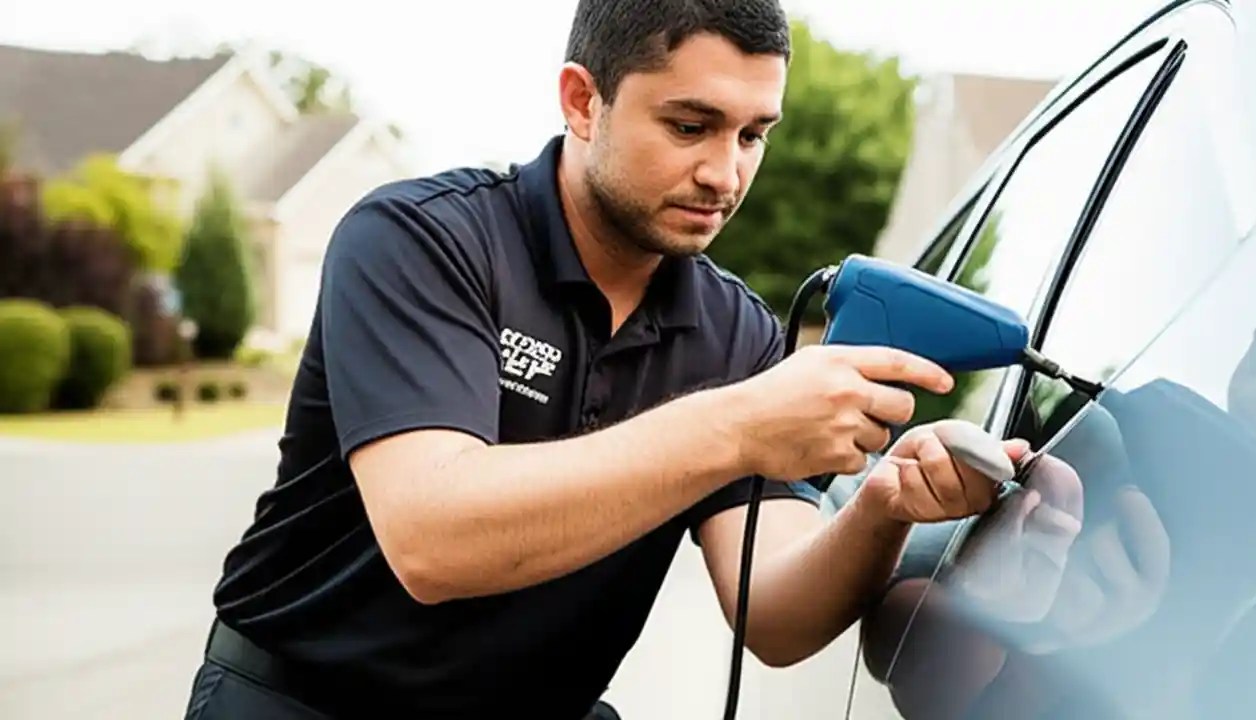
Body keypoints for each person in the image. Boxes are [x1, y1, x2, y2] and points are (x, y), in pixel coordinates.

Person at [182, 1, 1028, 718]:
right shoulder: (419, 240)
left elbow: (773, 613)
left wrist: (882, 507)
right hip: (300, 702)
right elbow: (434, 542)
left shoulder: (734, 332)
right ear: (583, 101)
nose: (724, 174)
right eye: (690, 126)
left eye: (752, 136)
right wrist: (737, 425)